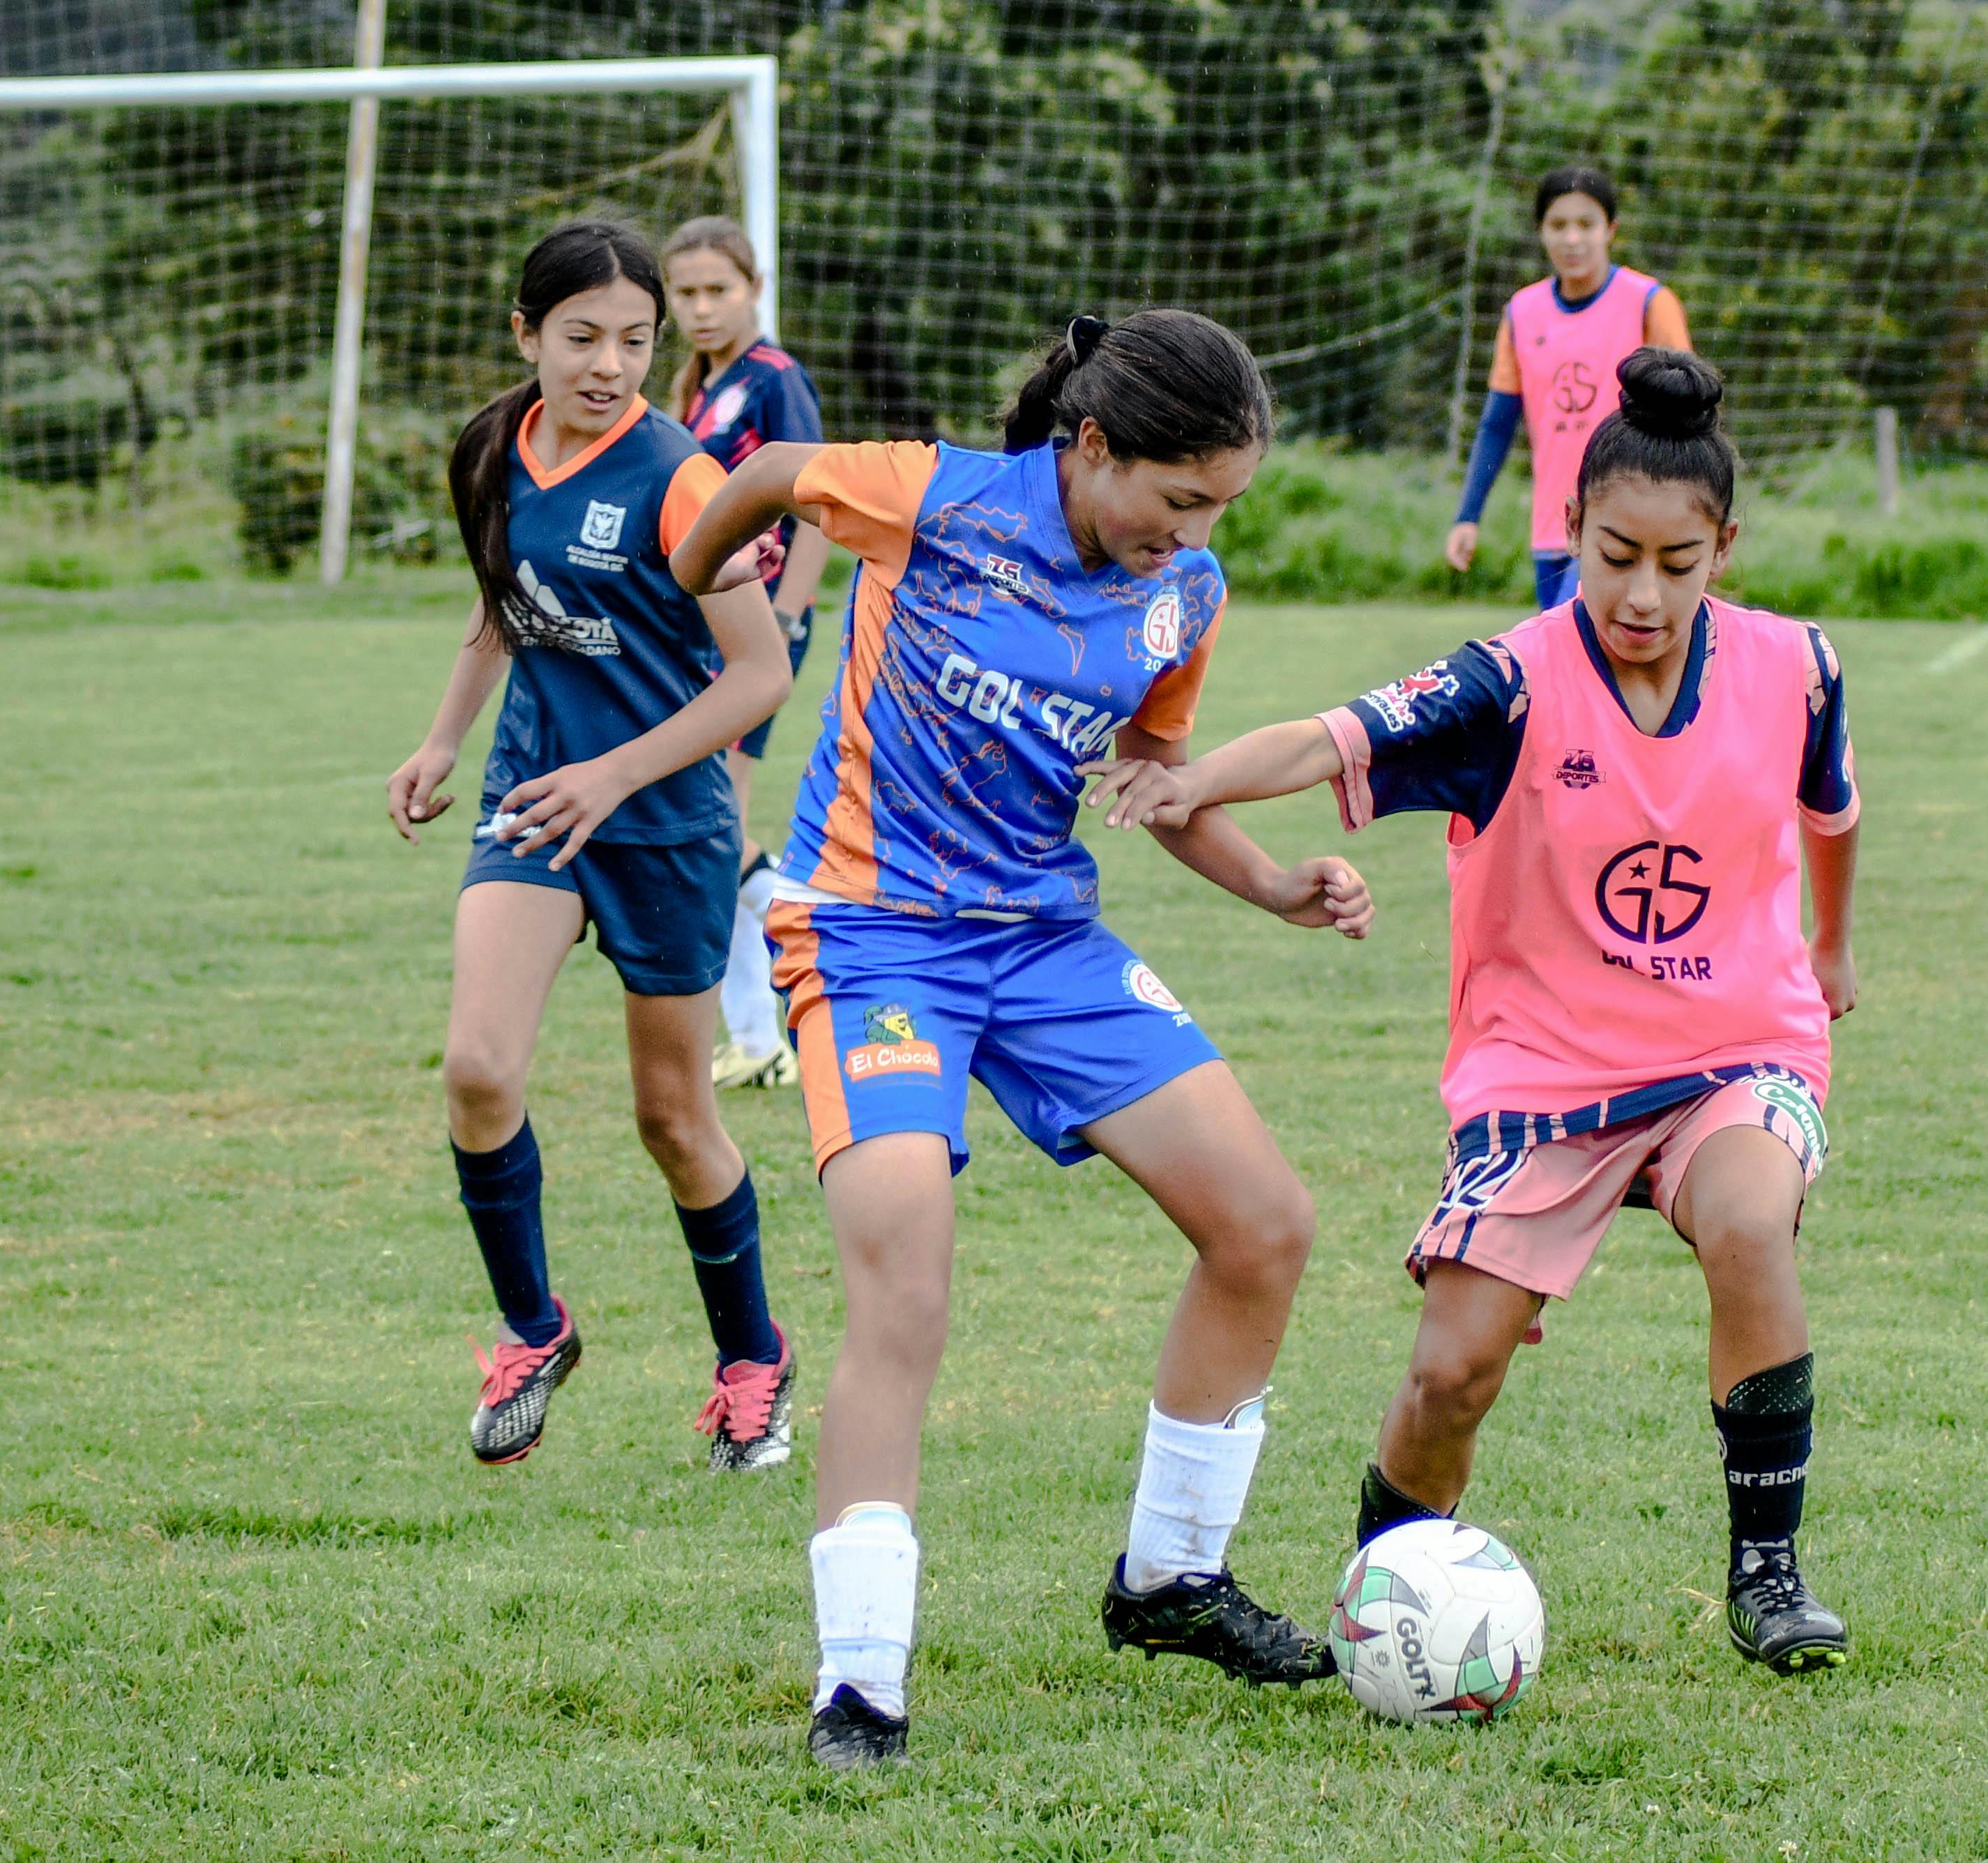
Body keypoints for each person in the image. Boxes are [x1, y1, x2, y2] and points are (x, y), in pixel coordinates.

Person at [669, 310, 1375, 1770]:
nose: (1189, 534)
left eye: (1218, 510)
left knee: (1262, 1224)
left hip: (1042, 943)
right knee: (904, 1280)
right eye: (1176, 500)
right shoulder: (936, 497)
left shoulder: (1183, 596)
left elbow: (1153, 781)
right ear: (1091, 444)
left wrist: (1277, 889)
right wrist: (691, 586)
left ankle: (1169, 1578)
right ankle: (859, 1684)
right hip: (869, 933)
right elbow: (766, 474)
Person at [1088, 348, 1861, 1677]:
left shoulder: (1796, 667)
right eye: (1614, 554)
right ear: (1570, 531)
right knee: (1452, 1375)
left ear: (1723, 547)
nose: (1640, 592)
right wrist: (1189, 777)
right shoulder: (1504, 684)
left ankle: (1769, 1572)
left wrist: (1830, 951)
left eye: (1678, 564)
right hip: (1543, 1072)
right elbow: (1330, 736)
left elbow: (1829, 810)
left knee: (1747, 1221)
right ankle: (1382, 1599)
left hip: (1737, 1046)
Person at [384, 220, 800, 1478]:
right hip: (529, 797)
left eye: (634, 341)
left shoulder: (680, 478)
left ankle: (752, 1364)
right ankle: (532, 1332)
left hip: (662, 823)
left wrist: (616, 774)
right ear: (526, 336)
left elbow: (760, 672)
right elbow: (497, 605)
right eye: (582, 338)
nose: (609, 364)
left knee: (672, 1119)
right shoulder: (493, 452)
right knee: (474, 1069)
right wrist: (445, 741)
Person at [660, 215, 833, 1093]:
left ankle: (810, 951)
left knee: (714, 824)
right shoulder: (700, 388)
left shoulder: (773, 380)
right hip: (703, 636)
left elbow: (815, 504)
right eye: (684, 293)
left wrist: (789, 617)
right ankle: (758, 1037)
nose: (700, 308)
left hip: (754, 639)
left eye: (716, 290)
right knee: (710, 827)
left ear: (753, 289)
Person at [1445, 165, 1693, 611]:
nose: (1572, 239)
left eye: (1586, 224)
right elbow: (1497, 425)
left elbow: (1693, 415)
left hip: (1630, 525)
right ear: (1540, 231)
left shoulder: (1650, 303)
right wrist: (1468, 516)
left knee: (1578, 649)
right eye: (1558, 225)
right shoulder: (1522, 313)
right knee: (1574, 667)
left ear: (1610, 230)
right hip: (1555, 528)